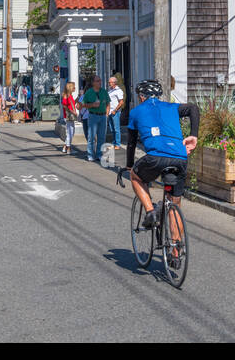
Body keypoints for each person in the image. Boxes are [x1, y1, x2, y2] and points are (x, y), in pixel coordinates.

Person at [121, 79, 199, 241]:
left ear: (141, 97)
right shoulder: (171, 107)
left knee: (135, 176)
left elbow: (131, 143)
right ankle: (176, 253)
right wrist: (193, 135)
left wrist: (129, 166)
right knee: (174, 204)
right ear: (159, 95)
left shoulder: (135, 112)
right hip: (179, 158)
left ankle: (150, 212)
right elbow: (193, 108)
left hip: (155, 158)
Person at [83, 76, 110, 164]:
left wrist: (106, 114)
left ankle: (99, 154)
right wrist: (92, 105)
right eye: (98, 81)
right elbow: (84, 104)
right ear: (93, 83)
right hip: (93, 116)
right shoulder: (89, 92)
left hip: (102, 116)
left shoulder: (104, 91)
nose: (100, 82)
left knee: (101, 136)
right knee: (91, 136)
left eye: (100, 80)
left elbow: (108, 103)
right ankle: (90, 155)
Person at [106, 75, 125, 149]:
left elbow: (121, 102)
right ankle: (114, 143)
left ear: (114, 83)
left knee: (116, 128)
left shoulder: (118, 91)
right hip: (110, 111)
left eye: (110, 82)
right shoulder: (110, 90)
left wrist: (115, 110)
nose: (109, 83)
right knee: (112, 128)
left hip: (115, 112)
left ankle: (118, 144)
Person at [60, 81, 78, 154]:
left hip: (70, 116)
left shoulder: (70, 96)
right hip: (68, 116)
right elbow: (65, 106)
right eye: (73, 87)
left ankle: (65, 147)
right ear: (70, 87)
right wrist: (73, 112)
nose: (75, 88)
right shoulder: (66, 96)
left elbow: (73, 104)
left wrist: (78, 98)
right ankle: (69, 149)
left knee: (71, 131)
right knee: (70, 132)